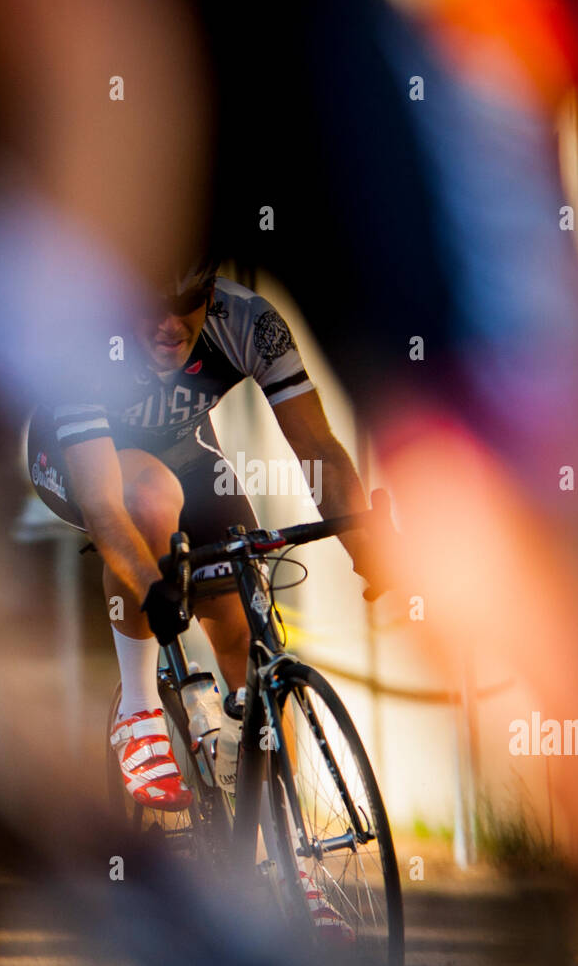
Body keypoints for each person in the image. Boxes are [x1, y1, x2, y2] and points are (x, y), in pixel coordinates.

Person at [28, 261, 384, 813]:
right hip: (78, 460)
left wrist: (371, 553)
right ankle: (139, 709)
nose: (169, 325)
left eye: (188, 302)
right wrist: (152, 586)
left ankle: (284, 860)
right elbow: (103, 503)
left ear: (212, 291)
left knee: (249, 641)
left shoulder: (249, 322)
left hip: (184, 451)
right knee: (147, 497)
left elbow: (317, 448)